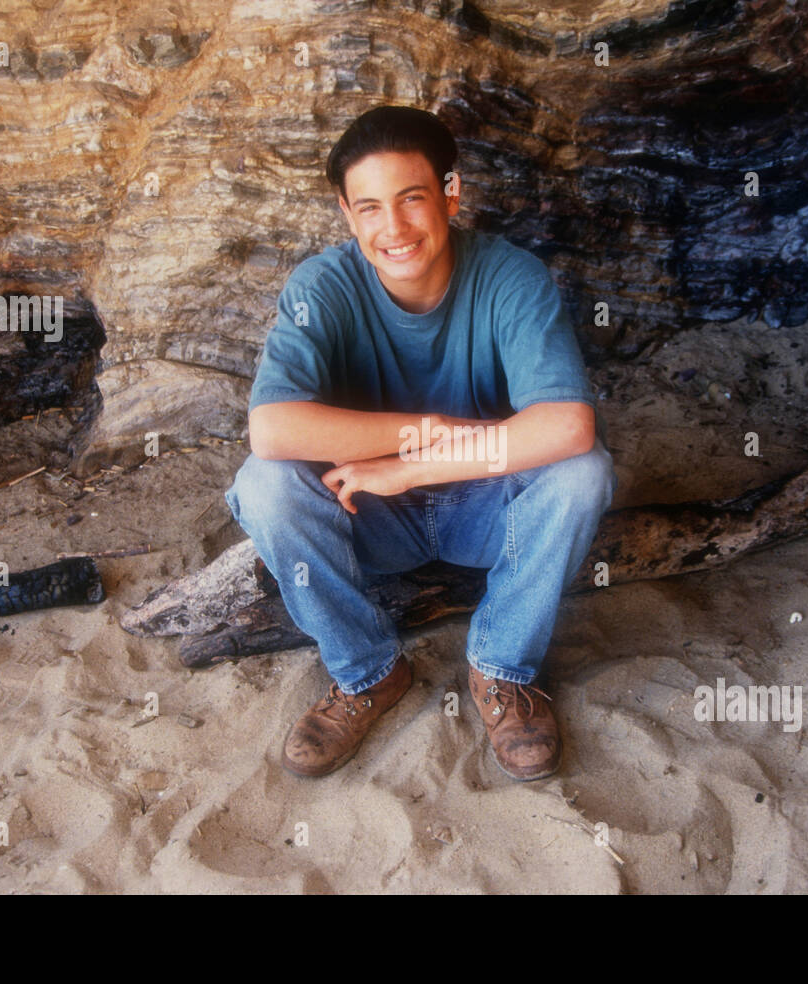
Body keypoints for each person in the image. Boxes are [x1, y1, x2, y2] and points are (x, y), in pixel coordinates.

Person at [225, 105, 616, 781]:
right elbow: (272, 427)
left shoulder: (511, 276)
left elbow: (567, 424)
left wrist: (413, 467)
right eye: (370, 208)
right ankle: (367, 673)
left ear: (451, 194)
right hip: (365, 518)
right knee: (265, 482)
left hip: (488, 512)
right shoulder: (321, 287)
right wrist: (420, 434)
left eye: (412, 200)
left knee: (582, 472)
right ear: (347, 214)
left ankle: (501, 670)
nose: (394, 229)